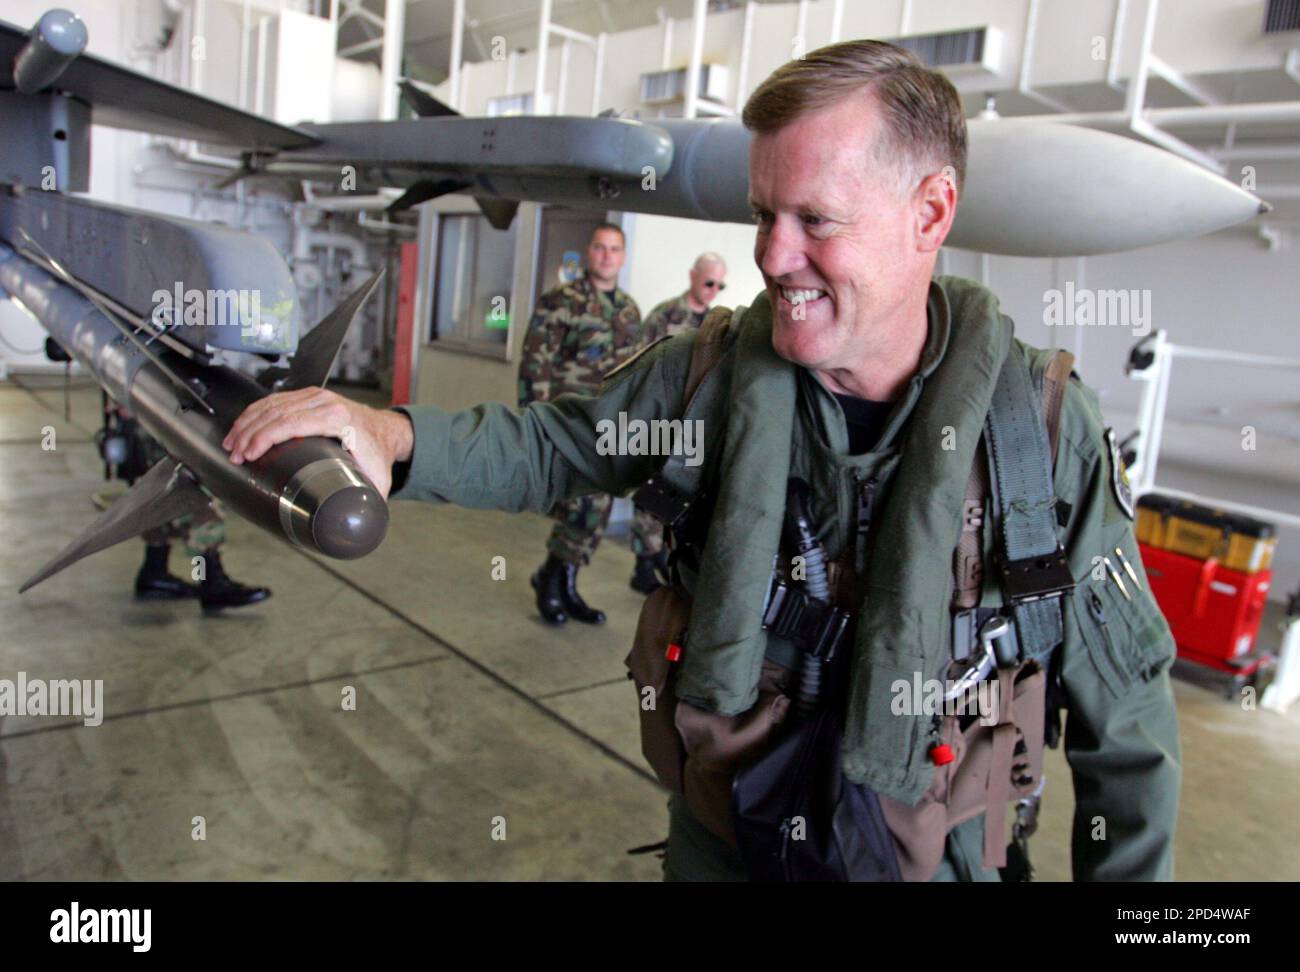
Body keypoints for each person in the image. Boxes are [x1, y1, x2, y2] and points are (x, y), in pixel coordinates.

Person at [223, 40, 1181, 882]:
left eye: (816, 220)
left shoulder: (1039, 435)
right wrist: (392, 435)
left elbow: (1128, 731)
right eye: (764, 214)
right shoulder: (707, 380)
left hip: (936, 854)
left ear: (930, 213)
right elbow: (554, 446)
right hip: (729, 838)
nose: (774, 255)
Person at [515, 222, 646, 625]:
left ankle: (561, 580)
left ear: (623, 257)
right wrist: (535, 425)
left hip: (610, 426)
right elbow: (535, 363)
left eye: (614, 249)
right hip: (568, 423)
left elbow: (636, 370)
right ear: (589, 253)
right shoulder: (562, 301)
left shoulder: (629, 310)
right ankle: (552, 582)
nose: (607, 256)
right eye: (600, 248)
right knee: (579, 505)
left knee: (597, 509)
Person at [98, 397, 271, 613]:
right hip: (163, 412)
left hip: (159, 412)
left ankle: (155, 571)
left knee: (159, 499)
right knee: (196, 500)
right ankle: (209, 582)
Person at [629, 253, 729, 594]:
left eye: (720, 285)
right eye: (709, 282)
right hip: (659, 419)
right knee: (652, 489)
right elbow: (639, 365)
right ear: (692, 276)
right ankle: (643, 562)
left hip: (693, 422)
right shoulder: (665, 315)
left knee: (679, 491)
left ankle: (661, 555)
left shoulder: (718, 325)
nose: (714, 290)